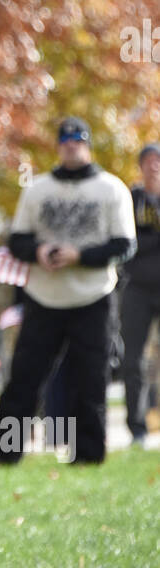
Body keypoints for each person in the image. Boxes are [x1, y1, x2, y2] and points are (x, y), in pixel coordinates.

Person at [0, 118, 136, 465]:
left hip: (94, 297)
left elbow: (124, 245)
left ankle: (87, 456)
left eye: (78, 139)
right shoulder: (37, 189)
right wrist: (39, 251)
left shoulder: (111, 188)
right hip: (44, 298)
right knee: (23, 379)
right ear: (58, 145)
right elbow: (17, 240)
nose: (72, 145)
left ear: (87, 144)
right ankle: (4, 455)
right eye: (65, 140)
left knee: (90, 380)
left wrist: (80, 256)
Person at [119, 143, 160, 445]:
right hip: (136, 290)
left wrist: (147, 238)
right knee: (132, 359)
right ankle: (137, 428)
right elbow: (126, 244)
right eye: (147, 161)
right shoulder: (129, 200)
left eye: (158, 161)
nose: (153, 166)